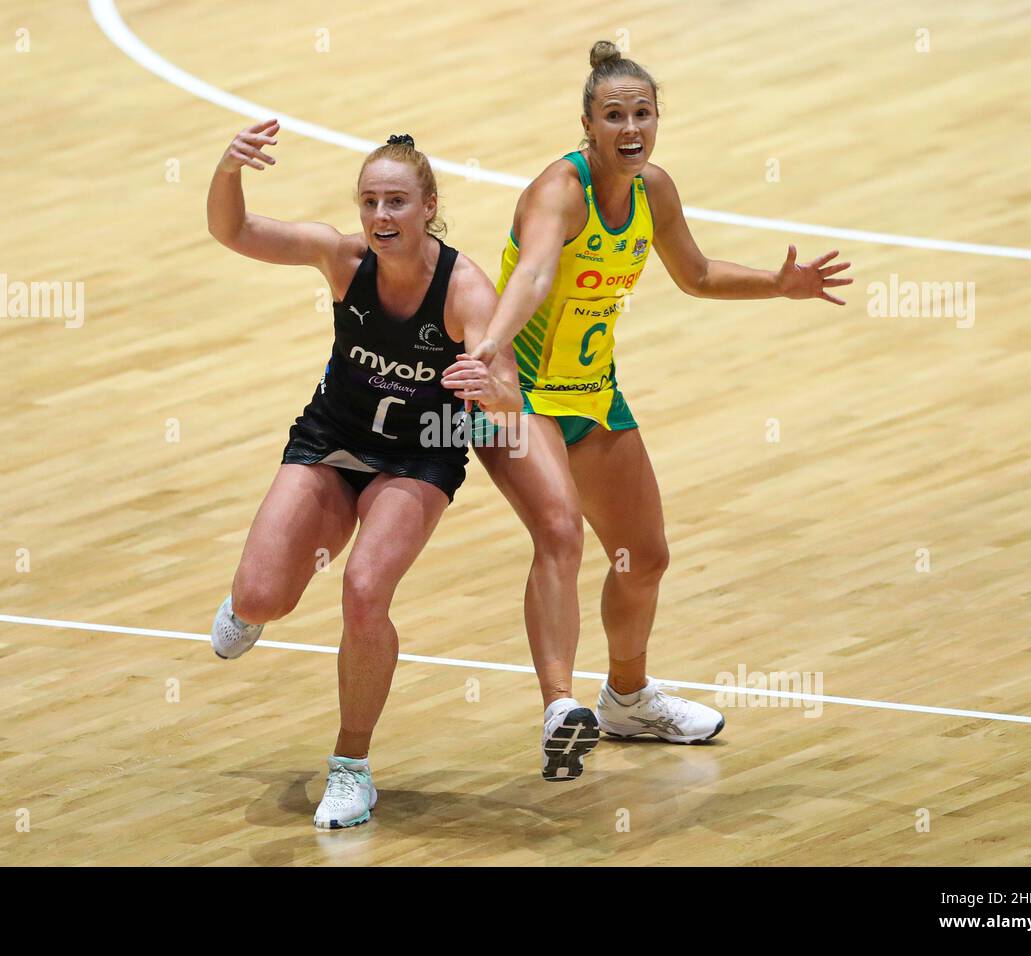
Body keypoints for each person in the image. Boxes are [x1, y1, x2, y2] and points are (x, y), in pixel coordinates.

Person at [461, 42, 852, 781]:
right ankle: (559, 710)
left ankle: (629, 698)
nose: (631, 127)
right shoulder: (558, 190)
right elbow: (538, 271)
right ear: (587, 125)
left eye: (643, 113)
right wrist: (488, 345)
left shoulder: (654, 191)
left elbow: (696, 273)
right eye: (615, 115)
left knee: (644, 559)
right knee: (559, 536)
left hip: (592, 392)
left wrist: (778, 282)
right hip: (517, 390)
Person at [206, 123, 519, 825]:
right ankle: (248, 607)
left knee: (363, 588)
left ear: (429, 205)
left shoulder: (465, 288)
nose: (382, 217)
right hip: (333, 437)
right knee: (260, 598)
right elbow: (236, 232)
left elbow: (510, 398)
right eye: (371, 202)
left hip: (420, 453)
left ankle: (351, 767)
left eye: (398, 203)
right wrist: (229, 170)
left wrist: (492, 392)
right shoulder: (343, 259)